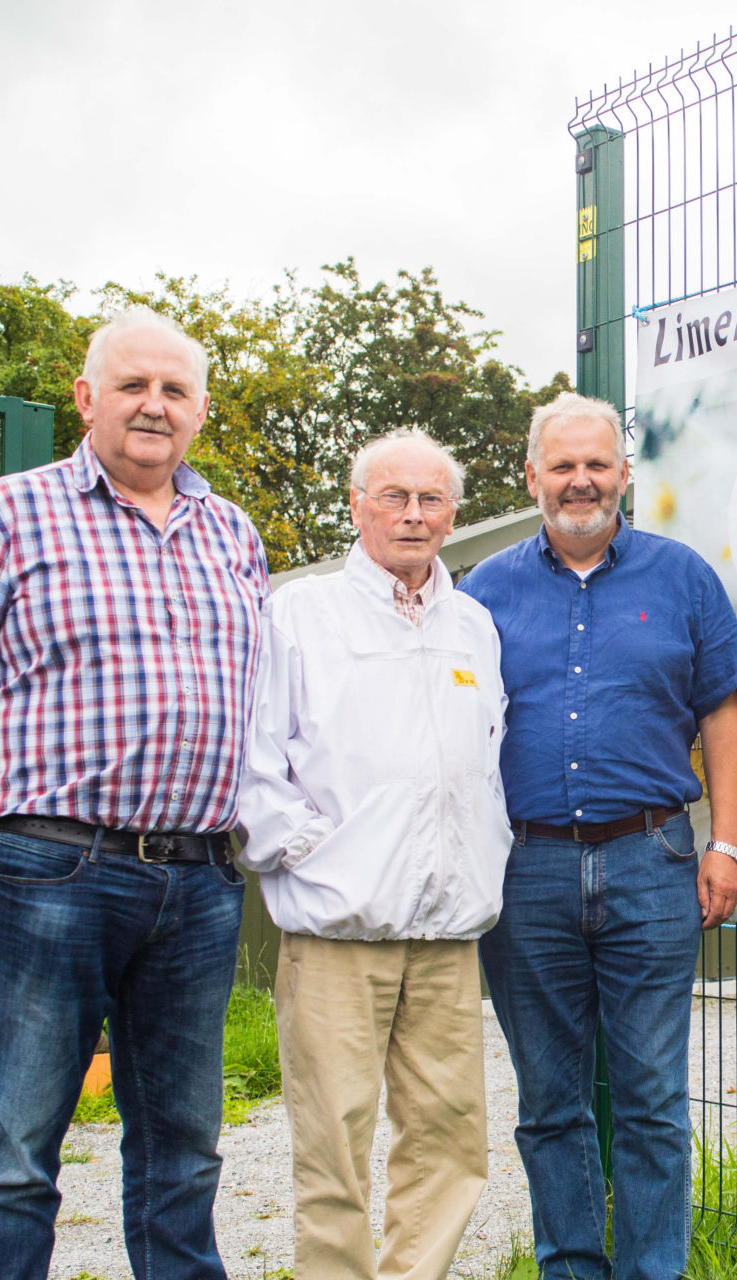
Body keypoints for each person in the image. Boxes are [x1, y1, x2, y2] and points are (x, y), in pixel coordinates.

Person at [0, 307, 267, 1280]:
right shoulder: (11, 511)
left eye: (175, 389)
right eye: (133, 385)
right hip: (49, 870)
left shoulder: (233, 532)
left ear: (201, 411)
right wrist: (17, 797)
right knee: (15, 1152)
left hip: (201, 875)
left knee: (184, 1151)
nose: (153, 404)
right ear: (87, 398)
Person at [458, 392, 737, 1280]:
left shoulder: (683, 578)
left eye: (597, 465)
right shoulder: (485, 592)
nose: (581, 481)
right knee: (550, 1103)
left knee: (653, 1100)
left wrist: (727, 844)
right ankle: (571, 1269)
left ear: (624, 474)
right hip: (528, 870)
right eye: (563, 466)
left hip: (653, 861)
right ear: (533, 477)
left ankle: (653, 1271)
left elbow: (724, 718)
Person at [235, 428, 510, 1280]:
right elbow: (253, 762)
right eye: (393, 496)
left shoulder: (475, 626)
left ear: (452, 512)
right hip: (336, 934)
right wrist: (319, 854)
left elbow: (485, 763)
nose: (414, 514)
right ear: (357, 505)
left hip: (446, 938)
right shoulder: (300, 615)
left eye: (431, 499)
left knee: (451, 1143)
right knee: (334, 1150)